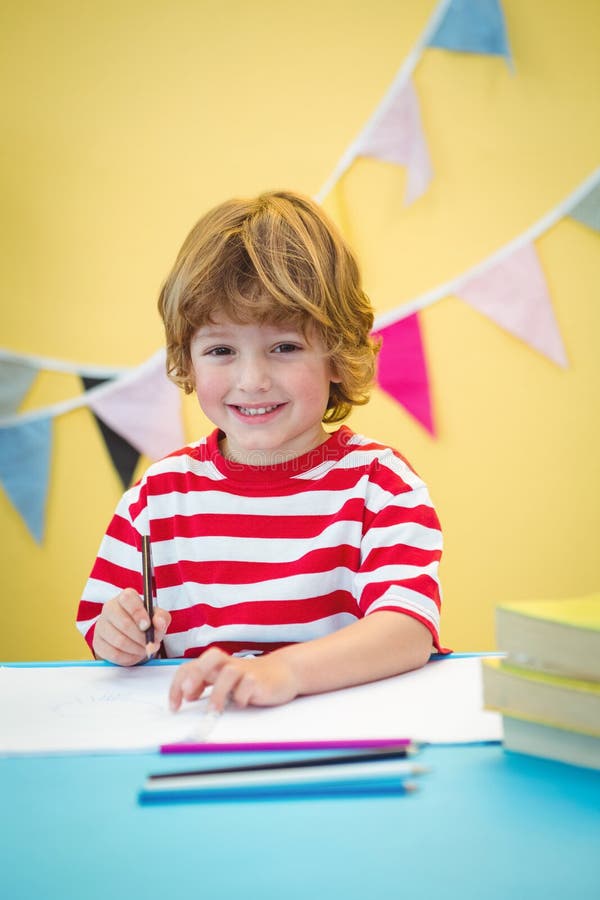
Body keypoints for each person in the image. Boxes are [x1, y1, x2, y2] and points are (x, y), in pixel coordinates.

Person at [76, 189, 446, 714]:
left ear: (337, 355)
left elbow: (407, 631)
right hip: (203, 735)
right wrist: (118, 635)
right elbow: (101, 625)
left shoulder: (380, 485)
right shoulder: (156, 497)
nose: (252, 381)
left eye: (285, 347)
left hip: (338, 734)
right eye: (221, 350)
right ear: (188, 358)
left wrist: (283, 671)